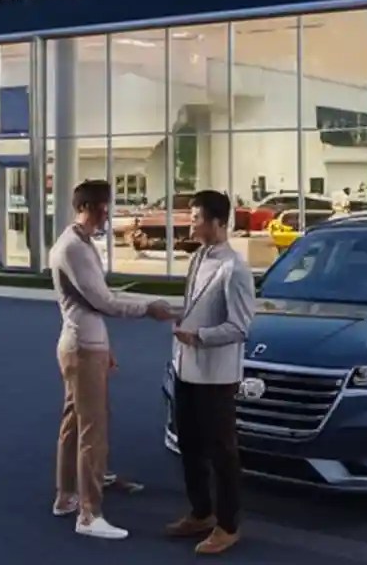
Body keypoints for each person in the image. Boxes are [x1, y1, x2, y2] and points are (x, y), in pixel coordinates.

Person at [50, 179, 174, 540]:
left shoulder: (80, 243)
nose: (110, 213)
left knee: (75, 423)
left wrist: (106, 348)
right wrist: (147, 308)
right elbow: (104, 302)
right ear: (92, 206)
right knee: (93, 431)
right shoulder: (73, 247)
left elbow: (96, 298)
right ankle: (89, 514)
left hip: (85, 344)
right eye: (107, 206)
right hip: (82, 348)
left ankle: (67, 496)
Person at [165, 189, 255, 555]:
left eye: (196, 217)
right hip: (185, 369)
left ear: (219, 222)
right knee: (189, 444)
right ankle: (200, 512)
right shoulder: (199, 257)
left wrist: (198, 336)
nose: (191, 221)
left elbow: (240, 327)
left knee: (222, 452)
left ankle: (228, 525)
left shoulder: (235, 268)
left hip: (216, 376)